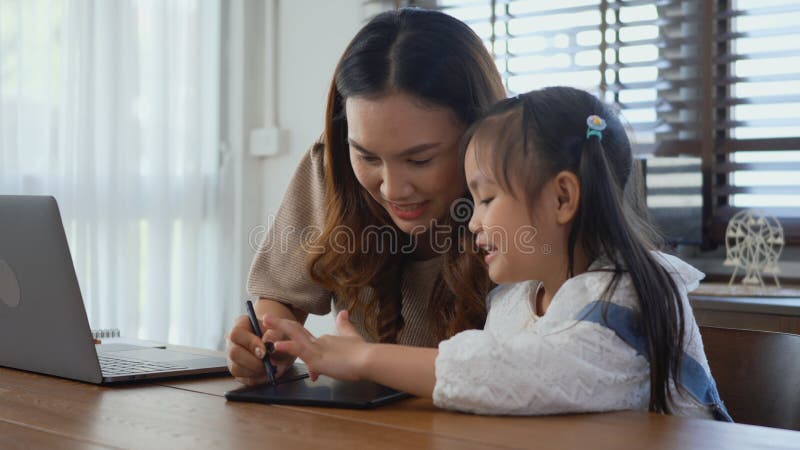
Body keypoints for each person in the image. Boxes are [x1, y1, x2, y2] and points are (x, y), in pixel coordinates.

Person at [264, 87, 733, 420]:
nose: (472, 221)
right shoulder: (514, 298)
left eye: (486, 199)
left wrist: (363, 359)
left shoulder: (630, 295)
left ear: (562, 199)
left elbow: (508, 375)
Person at [226, 8, 506, 386]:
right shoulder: (333, 166)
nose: (392, 188)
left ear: (477, 136)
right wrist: (265, 348)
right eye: (368, 156)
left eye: (419, 159)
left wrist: (366, 359)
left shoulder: (522, 188)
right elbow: (279, 304)